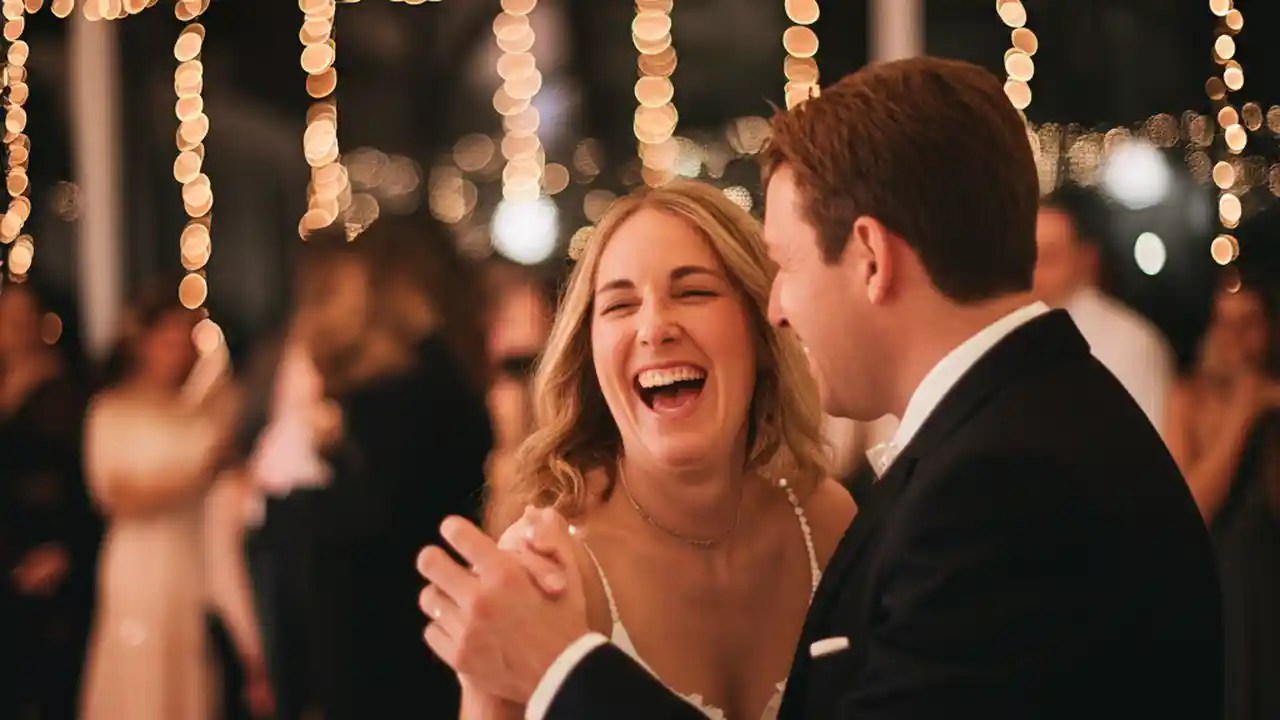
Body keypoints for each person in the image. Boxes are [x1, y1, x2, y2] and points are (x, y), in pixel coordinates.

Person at [418, 57, 1221, 719]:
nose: (780, 306)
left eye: (787, 266)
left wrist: (562, 671)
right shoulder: (1043, 418)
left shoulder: (991, 487)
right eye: (619, 304)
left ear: (870, 259)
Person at [441, 180, 853, 719]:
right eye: (620, 304)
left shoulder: (824, 521)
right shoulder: (548, 567)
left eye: (694, 292)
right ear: (589, 354)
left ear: (760, 325)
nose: (654, 328)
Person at [251, 215, 494, 720]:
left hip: (389, 620)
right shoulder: (440, 372)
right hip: (410, 608)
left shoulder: (406, 387)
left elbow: (384, 510)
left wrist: (288, 509)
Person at [79, 286, 271, 720]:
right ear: (142, 342)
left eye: (185, 340)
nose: (178, 352)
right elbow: (115, 497)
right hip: (141, 564)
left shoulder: (209, 407)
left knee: (192, 676)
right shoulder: (111, 410)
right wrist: (197, 475)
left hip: (195, 556)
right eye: (167, 340)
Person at [1166, 276, 1280, 720]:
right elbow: (1189, 510)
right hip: (1214, 589)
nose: (1234, 338)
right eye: (1223, 323)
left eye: (1248, 323)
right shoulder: (1187, 398)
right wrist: (1240, 415)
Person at [0, 281, 98, 720]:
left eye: (22, 319)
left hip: (50, 556)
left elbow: (82, 482)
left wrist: (65, 547)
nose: (13, 329)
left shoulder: (70, 394)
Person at [1033, 184, 1175, 435]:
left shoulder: (1128, 341)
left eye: (1050, 257)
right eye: (1031, 257)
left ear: (1084, 259)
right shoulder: (1015, 328)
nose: (1035, 272)